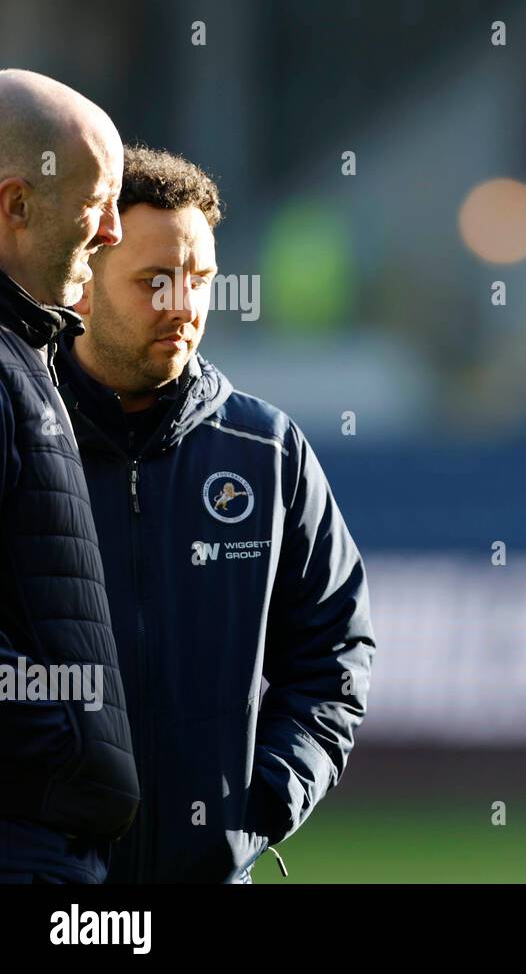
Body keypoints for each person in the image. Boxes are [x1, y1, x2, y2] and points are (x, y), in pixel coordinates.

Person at [55, 144, 375, 883]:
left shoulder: (266, 450)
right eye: (154, 281)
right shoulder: (21, 435)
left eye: (199, 280)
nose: (184, 306)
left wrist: (263, 801)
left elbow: (335, 654)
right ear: (83, 286)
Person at [0, 69, 139, 884]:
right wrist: (62, 730)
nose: (117, 232)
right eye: (99, 201)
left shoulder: (26, 356)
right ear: (16, 205)